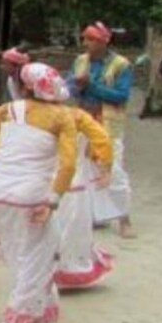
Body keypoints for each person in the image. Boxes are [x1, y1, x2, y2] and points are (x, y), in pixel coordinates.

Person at [0, 63, 77, 323]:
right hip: (33, 197)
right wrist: (53, 199)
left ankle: (43, 312)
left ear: (25, 86)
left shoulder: (6, 110)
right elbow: (68, 165)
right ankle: (19, 318)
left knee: (21, 252)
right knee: (39, 256)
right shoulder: (62, 116)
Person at [68, 22, 136, 239]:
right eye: (85, 38)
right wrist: (75, 86)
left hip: (107, 124)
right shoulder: (80, 61)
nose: (85, 43)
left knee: (113, 169)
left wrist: (92, 86)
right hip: (84, 121)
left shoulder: (121, 65)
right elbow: (68, 87)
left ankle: (124, 219)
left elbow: (122, 96)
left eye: (90, 39)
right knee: (86, 168)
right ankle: (96, 215)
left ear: (102, 42)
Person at [54, 107, 116, 290]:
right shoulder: (78, 116)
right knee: (75, 228)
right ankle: (71, 268)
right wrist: (106, 169)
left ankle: (48, 271)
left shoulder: (31, 113)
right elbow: (103, 139)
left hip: (47, 182)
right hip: (76, 183)